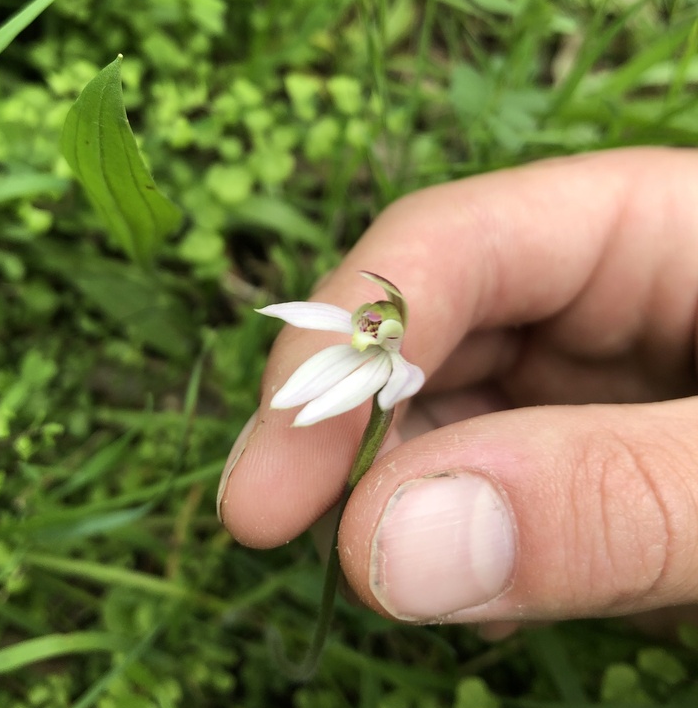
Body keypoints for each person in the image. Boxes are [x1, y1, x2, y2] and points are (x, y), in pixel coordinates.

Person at [217, 147, 698, 636]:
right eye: (370, 319)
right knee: (311, 431)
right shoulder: (350, 339)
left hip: (383, 376)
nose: (370, 325)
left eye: (381, 322)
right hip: (366, 371)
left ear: (396, 329)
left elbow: (400, 382)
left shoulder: (400, 370)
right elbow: (301, 377)